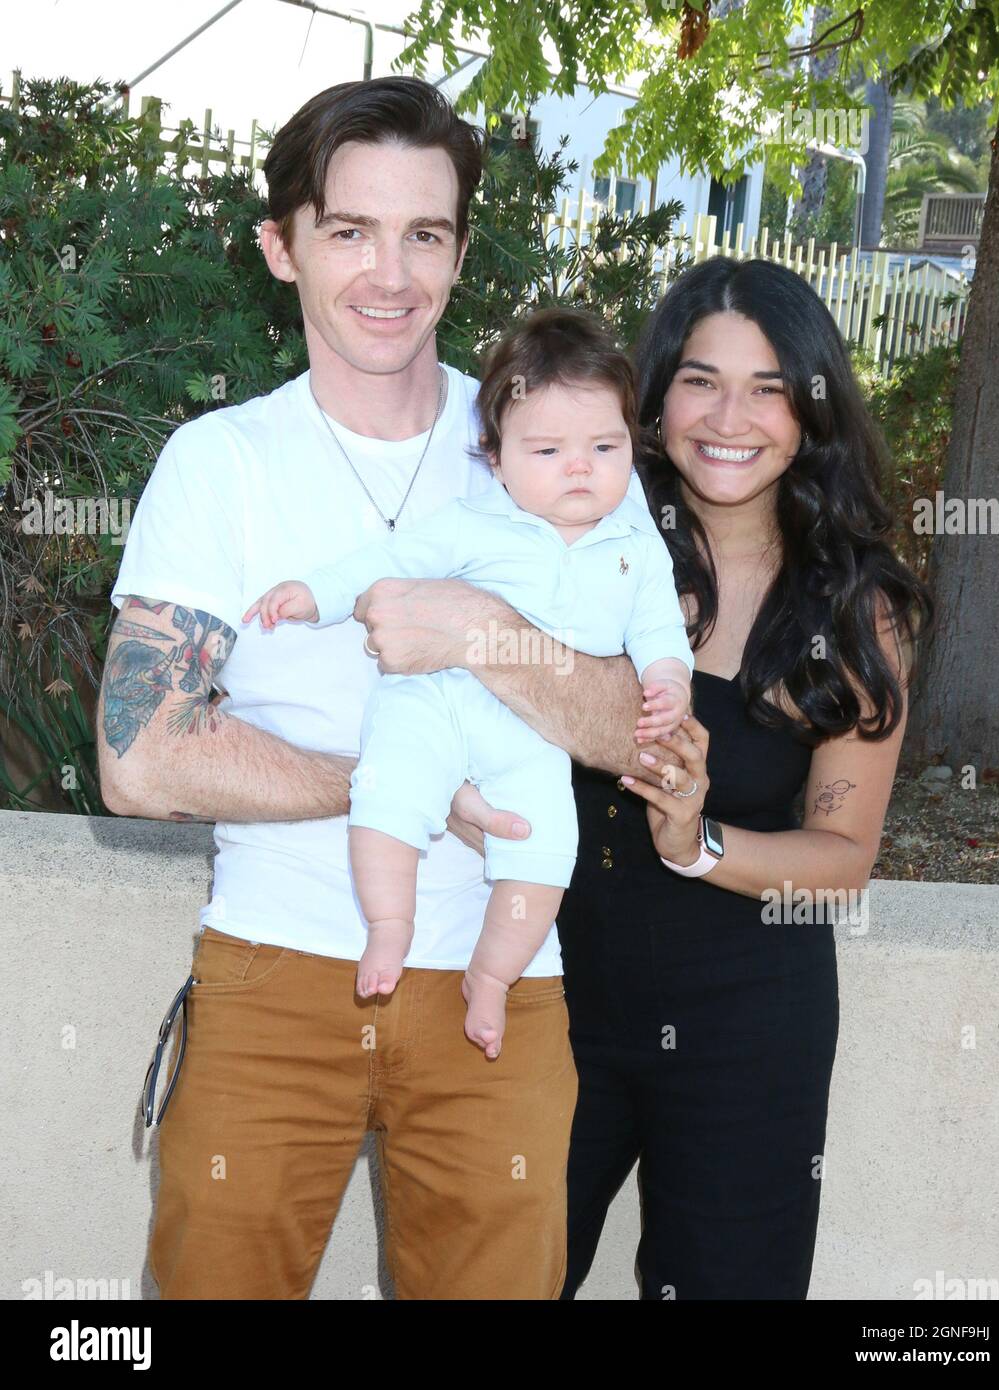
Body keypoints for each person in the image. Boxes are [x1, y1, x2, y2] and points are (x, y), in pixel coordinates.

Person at [97, 77, 690, 1300]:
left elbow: (629, 731)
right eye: (349, 229)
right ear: (282, 246)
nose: (389, 272)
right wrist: (398, 789)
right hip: (274, 972)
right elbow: (140, 754)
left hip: (500, 990)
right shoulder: (221, 464)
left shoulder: (554, 446)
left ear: (461, 252)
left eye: (423, 233)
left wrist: (479, 628)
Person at [556, 256, 933, 1300]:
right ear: (654, 393)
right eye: (699, 379)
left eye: (769, 387)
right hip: (546, 994)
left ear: (811, 410)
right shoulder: (577, 554)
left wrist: (695, 842)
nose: (730, 416)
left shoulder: (858, 607)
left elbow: (840, 861)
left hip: (747, 1025)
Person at [242, 308, 693, 1059]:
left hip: (531, 732)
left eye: (605, 447)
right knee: (388, 788)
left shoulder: (634, 551)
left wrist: (669, 678)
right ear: (497, 457)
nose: (579, 467)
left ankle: (491, 976)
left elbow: (657, 633)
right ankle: (391, 926)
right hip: (436, 700)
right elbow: (382, 565)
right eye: (548, 449)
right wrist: (313, 597)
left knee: (546, 847)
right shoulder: (474, 524)